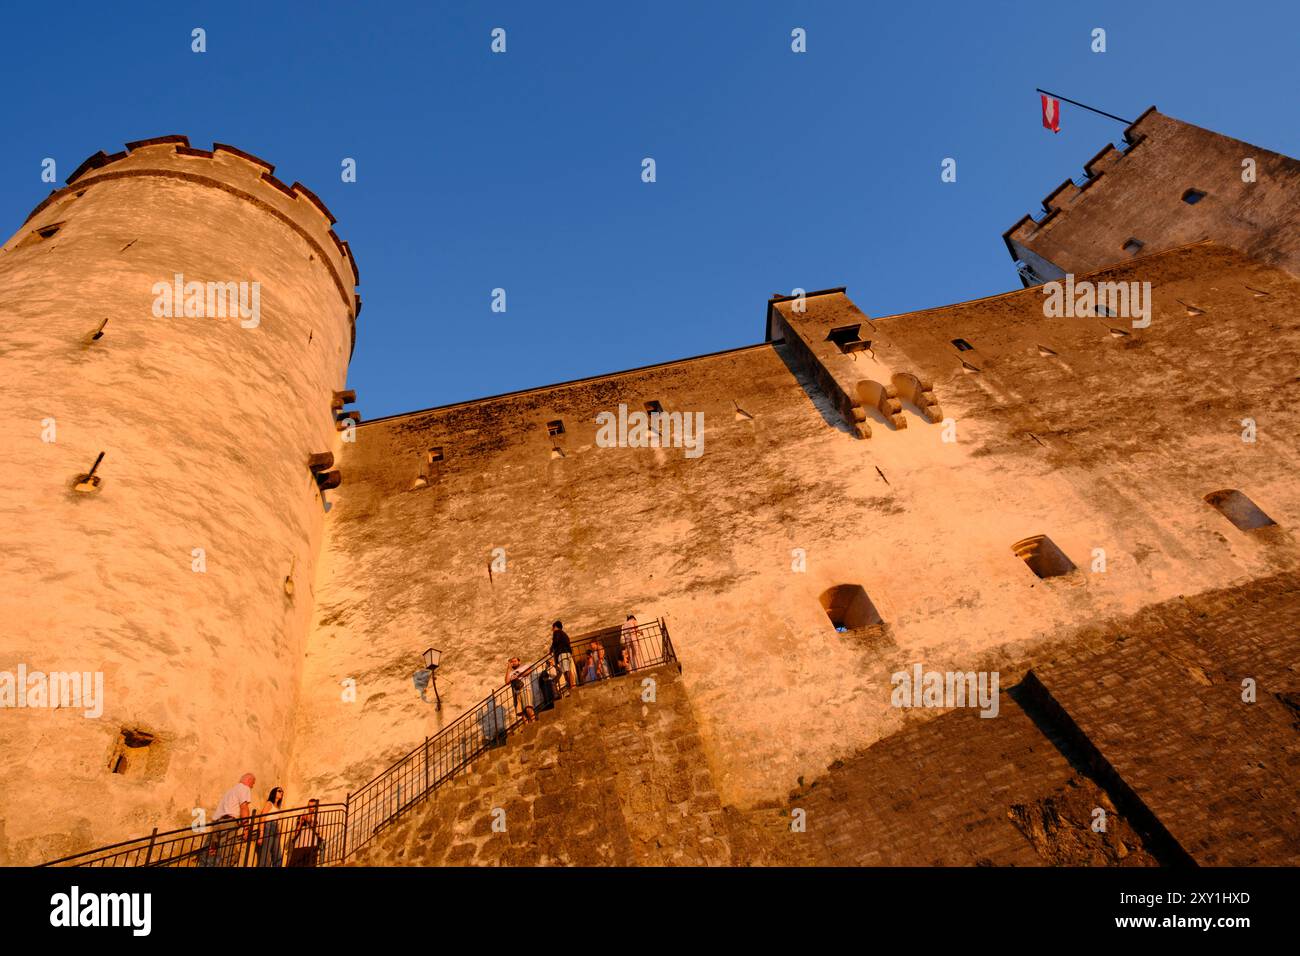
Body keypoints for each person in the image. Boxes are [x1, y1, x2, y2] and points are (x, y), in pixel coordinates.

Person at [203, 772, 255, 867]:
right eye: (253, 783)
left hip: (217, 824)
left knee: (232, 854)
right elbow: (244, 807)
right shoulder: (244, 788)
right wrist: (247, 828)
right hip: (228, 824)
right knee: (228, 857)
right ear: (248, 780)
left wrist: (213, 843)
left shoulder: (230, 791)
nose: (252, 787)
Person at [287, 799, 323, 867]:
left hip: (311, 845)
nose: (310, 808)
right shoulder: (302, 816)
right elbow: (295, 832)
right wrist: (300, 823)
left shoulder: (318, 817)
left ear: (316, 807)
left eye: (312, 806)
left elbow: (319, 832)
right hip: (299, 845)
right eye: (309, 806)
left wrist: (309, 820)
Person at [256, 786, 285, 867]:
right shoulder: (269, 803)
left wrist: (279, 831)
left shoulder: (277, 807)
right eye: (279, 791)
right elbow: (262, 817)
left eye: (282, 792)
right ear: (274, 793)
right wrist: (261, 834)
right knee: (265, 853)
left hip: (275, 828)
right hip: (268, 826)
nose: (281, 793)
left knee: (277, 853)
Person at [506, 656, 536, 723]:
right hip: (516, 693)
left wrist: (519, 675)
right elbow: (507, 682)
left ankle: (534, 722)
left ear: (519, 662)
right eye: (512, 662)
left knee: (528, 708)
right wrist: (508, 668)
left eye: (515, 661)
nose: (513, 663)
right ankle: (527, 727)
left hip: (525, 689)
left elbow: (530, 671)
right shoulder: (510, 673)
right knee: (521, 712)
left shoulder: (524, 667)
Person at [550, 621, 575, 693]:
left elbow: (556, 642)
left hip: (562, 653)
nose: (552, 629)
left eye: (552, 627)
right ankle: (572, 685)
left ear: (555, 627)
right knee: (567, 670)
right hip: (567, 653)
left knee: (566, 671)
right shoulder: (564, 634)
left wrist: (551, 649)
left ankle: (572, 686)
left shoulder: (557, 632)